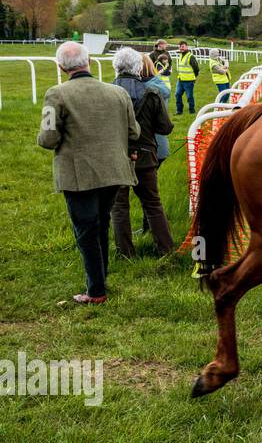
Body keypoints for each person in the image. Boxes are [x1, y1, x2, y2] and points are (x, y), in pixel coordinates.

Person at [37, 42, 140, 304]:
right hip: (114, 171)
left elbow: (48, 138)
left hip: (78, 174)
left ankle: (96, 291)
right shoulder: (118, 93)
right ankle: (100, 279)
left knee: (86, 231)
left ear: (61, 67)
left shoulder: (56, 94)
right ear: (90, 62)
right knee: (101, 224)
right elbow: (134, 132)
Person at [109, 47, 174, 257]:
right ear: (139, 66)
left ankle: (125, 252)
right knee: (153, 203)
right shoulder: (152, 92)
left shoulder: (107, 92)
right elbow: (164, 128)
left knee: (119, 207)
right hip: (145, 154)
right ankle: (166, 249)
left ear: (116, 66)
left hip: (116, 155)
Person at [173, 40, 200, 115]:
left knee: (189, 97)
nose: (181, 48)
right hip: (180, 80)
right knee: (177, 95)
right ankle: (179, 111)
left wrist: (194, 77)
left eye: (182, 46)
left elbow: (196, 68)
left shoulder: (190, 56)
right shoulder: (181, 55)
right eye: (180, 47)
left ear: (187, 47)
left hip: (189, 81)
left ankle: (192, 111)